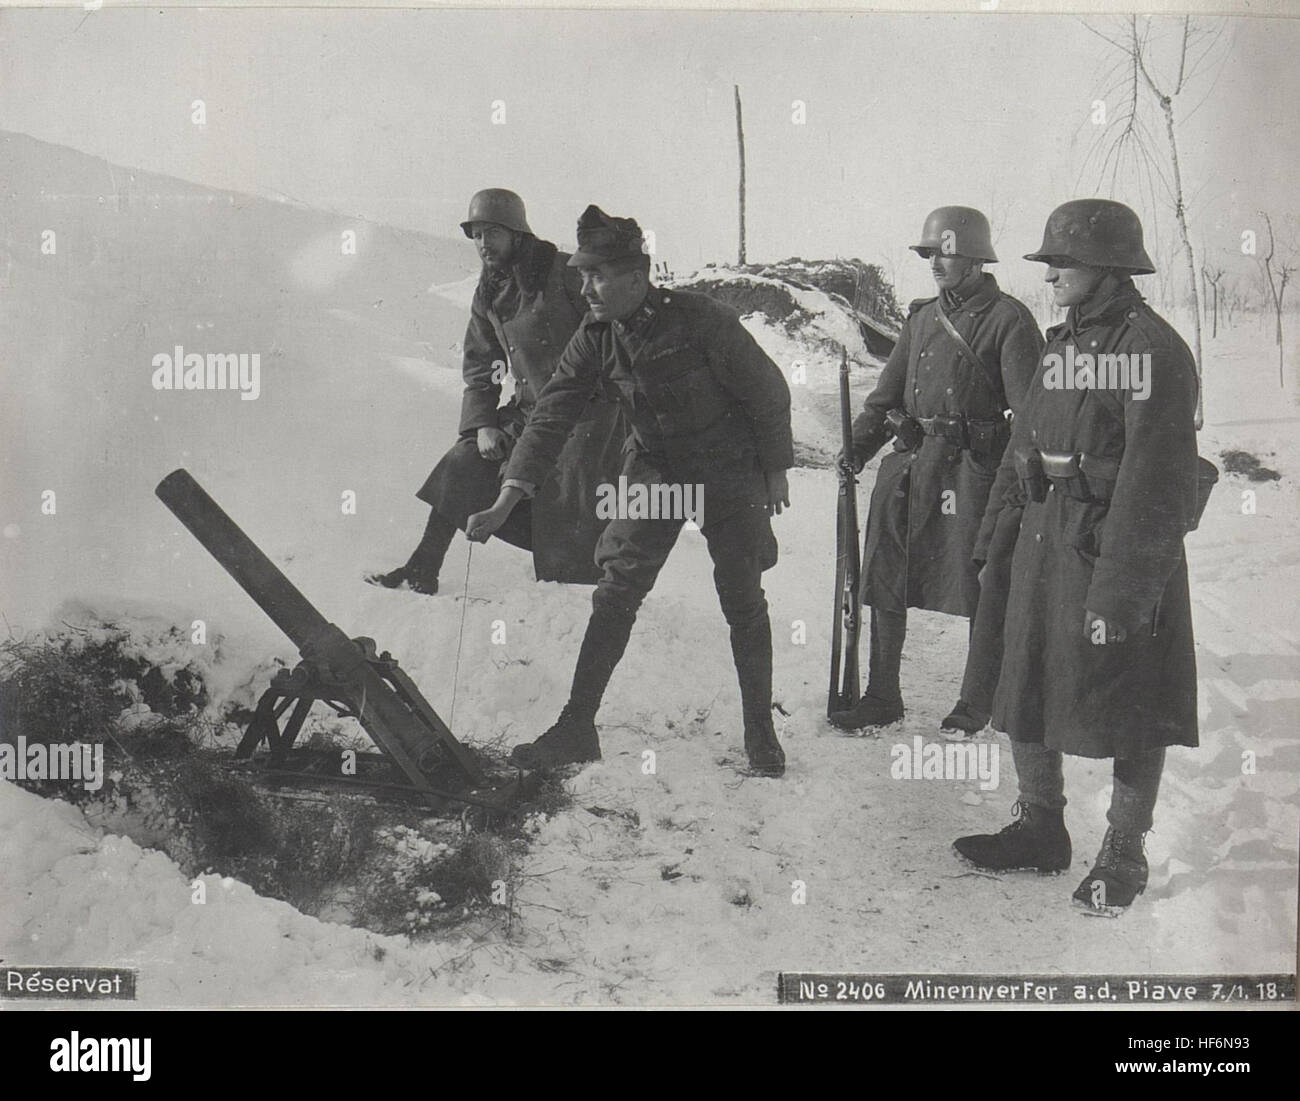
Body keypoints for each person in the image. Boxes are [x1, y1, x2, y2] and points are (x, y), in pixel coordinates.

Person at [466, 205, 794, 777]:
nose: (584, 286)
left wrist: (774, 470)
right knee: (617, 588)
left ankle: (759, 730)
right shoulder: (594, 338)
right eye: (582, 274)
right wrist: (507, 498)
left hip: (726, 472)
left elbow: (767, 392)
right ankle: (576, 726)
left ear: (637, 277)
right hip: (657, 474)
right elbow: (549, 418)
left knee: (741, 596)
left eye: (597, 276)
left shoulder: (702, 320)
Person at [954, 199, 1201, 912]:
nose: (1051, 271)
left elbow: (1157, 486)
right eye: (1049, 259)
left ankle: (1124, 853)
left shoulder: (1149, 351)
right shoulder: (1061, 345)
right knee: (1024, 671)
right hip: (1041, 537)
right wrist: (992, 538)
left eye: (1066, 260)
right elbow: (1022, 444)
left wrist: (1121, 596)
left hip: (1110, 549)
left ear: (1111, 266)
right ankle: (1039, 827)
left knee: (1132, 697)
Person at [830, 207, 1042, 732]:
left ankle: (976, 700)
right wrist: (856, 448)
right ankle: (882, 695)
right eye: (930, 253)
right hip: (912, 469)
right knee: (883, 575)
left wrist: (1014, 483)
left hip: (972, 471)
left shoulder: (1009, 320)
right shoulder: (922, 318)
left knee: (977, 584)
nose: (935, 263)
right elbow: (884, 399)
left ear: (974, 259)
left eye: (945, 253)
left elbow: (1031, 418)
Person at [367, 188, 625, 593]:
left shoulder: (565, 272)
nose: (484, 244)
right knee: (465, 460)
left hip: (590, 413)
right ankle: (422, 569)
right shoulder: (489, 290)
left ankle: (574, 601)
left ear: (518, 233)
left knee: (572, 496)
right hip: (528, 412)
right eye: (477, 235)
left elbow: (613, 332)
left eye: (493, 233)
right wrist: (484, 423)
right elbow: (480, 364)